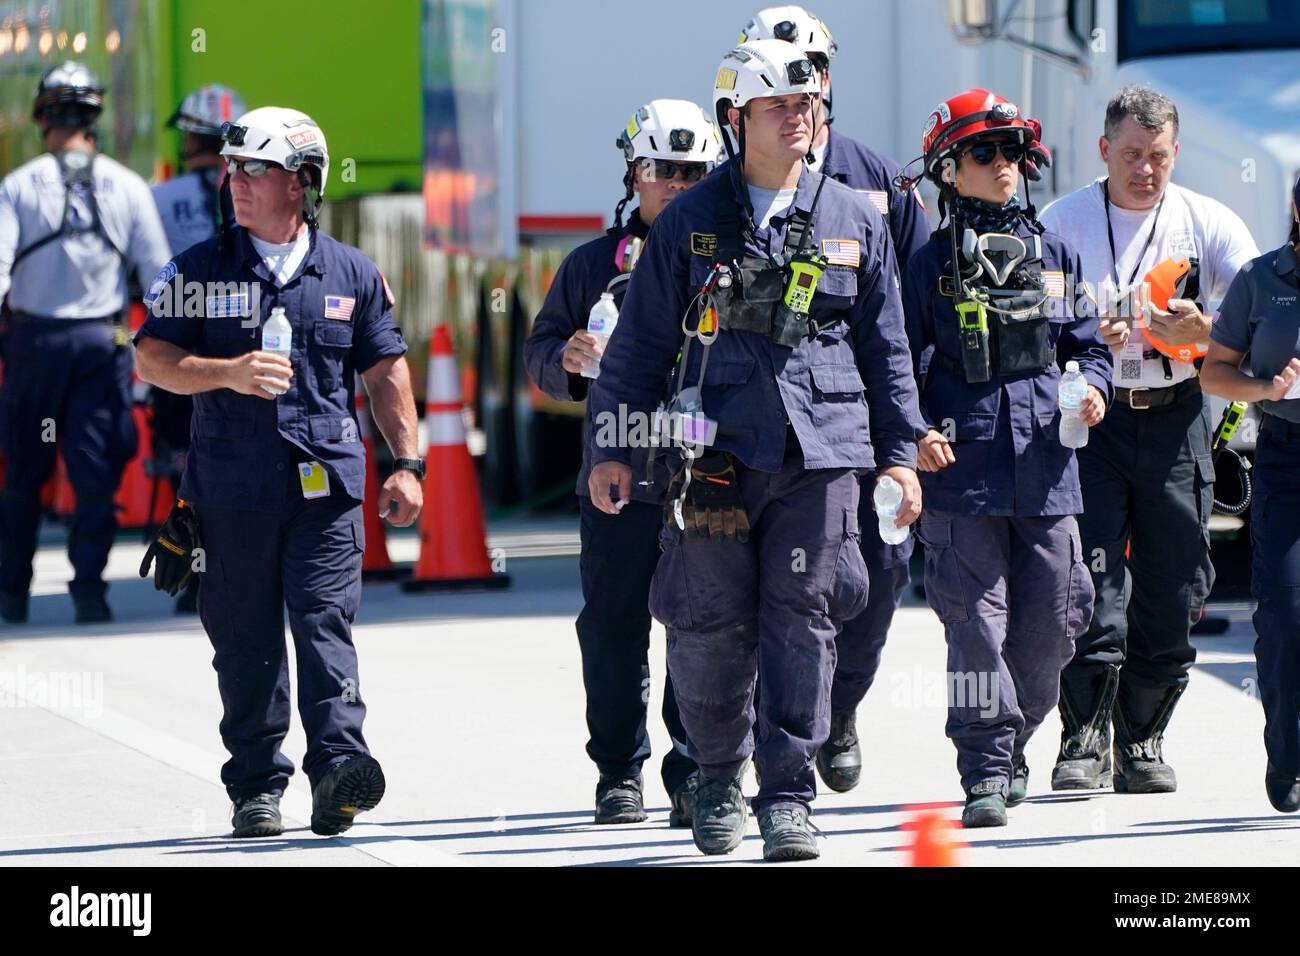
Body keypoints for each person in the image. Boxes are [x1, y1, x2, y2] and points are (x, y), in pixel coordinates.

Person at [588, 39, 926, 861]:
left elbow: (888, 349)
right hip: (715, 457)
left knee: (803, 622)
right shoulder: (693, 221)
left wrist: (902, 456)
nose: (800, 116)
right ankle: (713, 778)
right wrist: (614, 447)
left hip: (823, 459)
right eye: (780, 105)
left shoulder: (854, 216)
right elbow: (637, 346)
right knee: (707, 624)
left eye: (808, 104)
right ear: (737, 119)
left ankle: (787, 796)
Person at [134, 106, 422, 839]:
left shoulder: (352, 272)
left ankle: (339, 769)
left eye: (254, 169)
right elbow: (150, 359)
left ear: (301, 183)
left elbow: (387, 372)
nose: (235, 180)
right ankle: (257, 786)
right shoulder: (195, 271)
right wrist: (227, 372)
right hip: (230, 492)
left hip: (327, 488)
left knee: (326, 624)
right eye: (233, 167)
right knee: (245, 639)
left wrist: (407, 463)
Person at [899, 88, 1111, 827]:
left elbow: (1086, 348)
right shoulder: (926, 266)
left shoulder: (1057, 254)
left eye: (1014, 153)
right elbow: (899, 364)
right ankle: (986, 767)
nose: (1003, 166)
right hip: (962, 475)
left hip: (1050, 472)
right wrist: (915, 430)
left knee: (1056, 616)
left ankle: (1014, 739)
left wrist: (1096, 394)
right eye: (984, 153)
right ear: (949, 169)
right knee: (974, 625)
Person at [1039, 86, 1258, 794]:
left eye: (1158, 157)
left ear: (1175, 153)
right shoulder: (1062, 223)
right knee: (1088, 584)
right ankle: (1081, 736)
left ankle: (1142, 736)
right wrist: (1079, 340)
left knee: (1173, 584)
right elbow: (1028, 329)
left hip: (1177, 417)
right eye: (1131, 155)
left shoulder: (1208, 222)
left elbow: (1266, 319)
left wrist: (1208, 333)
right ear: (1103, 150)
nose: (1145, 170)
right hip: (1093, 423)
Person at [738, 3, 930, 793]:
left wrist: (911, 431)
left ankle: (838, 712)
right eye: (785, 72)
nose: (804, 88)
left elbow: (914, 307)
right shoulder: (731, 186)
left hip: (865, 428)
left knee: (876, 579)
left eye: (814, 69)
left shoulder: (875, 179)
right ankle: (747, 756)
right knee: (766, 596)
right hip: (765, 433)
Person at [524, 98, 720, 827]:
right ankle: (618, 771)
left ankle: (696, 768)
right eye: (662, 170)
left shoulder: (728, 256)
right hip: (618, 477)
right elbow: (539, 354)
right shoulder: (587, 266)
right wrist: (566, 362)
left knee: (702, 628)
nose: (677, 183)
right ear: (633, 174)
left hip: (707, 476)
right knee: (612, 626)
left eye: (694, 171)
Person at [0, 61, 171, 625]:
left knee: (25, 472)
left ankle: (12, 593)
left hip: (34, 342)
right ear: (94, 118)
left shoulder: (19, 186)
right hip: (108, 337)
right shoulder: (127, 186)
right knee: (94, 472)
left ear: (42, 118)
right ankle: (90, 594)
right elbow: (158, 277)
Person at [1200, 173, 1300, 814]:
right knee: (1285, 614)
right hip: (1287, 457)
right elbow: (1214, 369)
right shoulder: (1262, 279)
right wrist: (1265, 390)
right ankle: (1287, 755)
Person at [148, 83, 247, 614]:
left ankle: (189, 570)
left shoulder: (160, 198)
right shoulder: (257, 188)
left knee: (185, 462)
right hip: (245, 351)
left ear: (190, 138)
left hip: (178, 351)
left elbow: (142, 272)